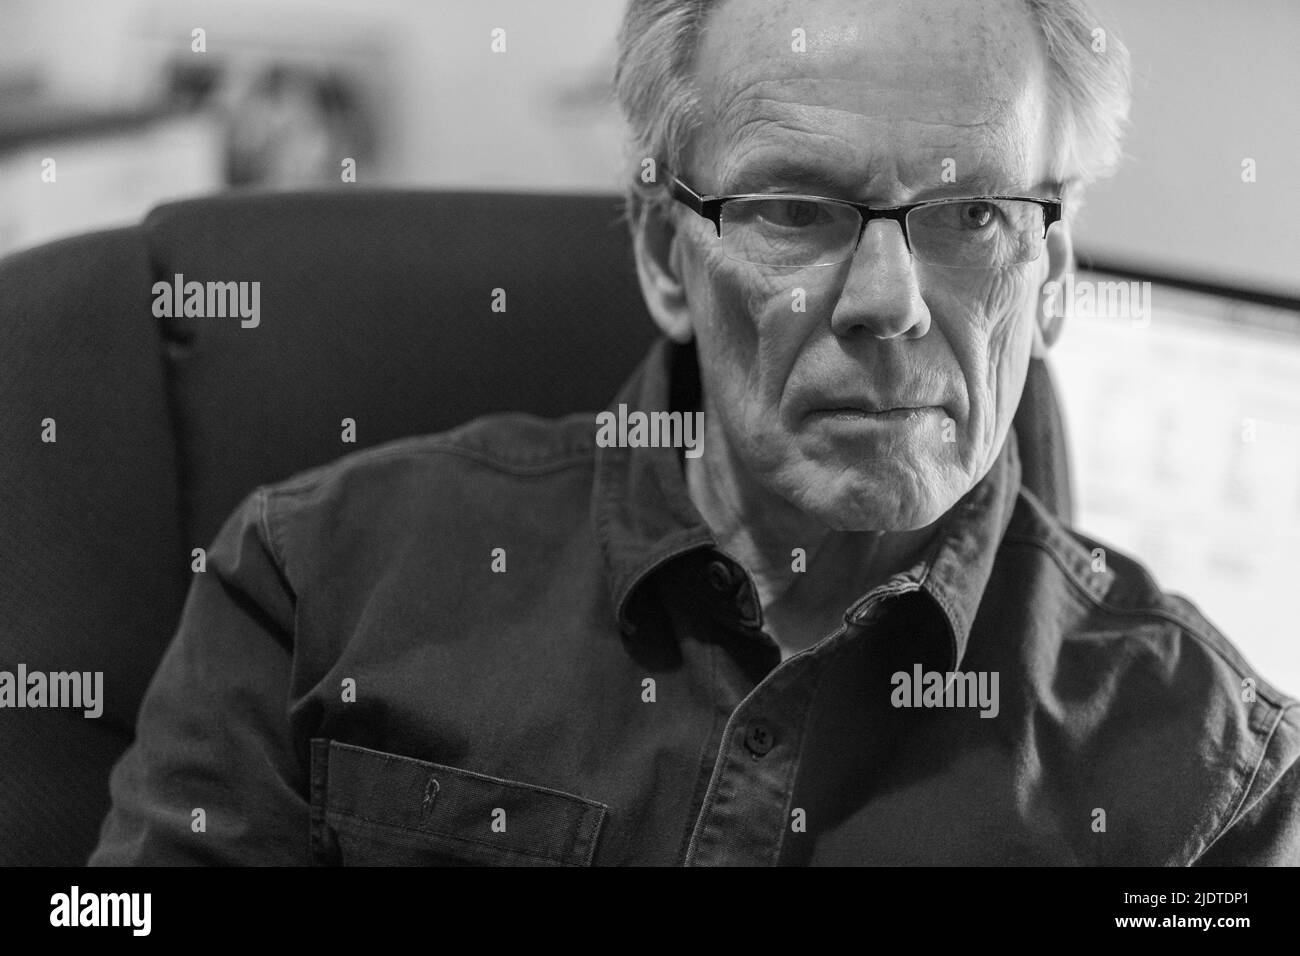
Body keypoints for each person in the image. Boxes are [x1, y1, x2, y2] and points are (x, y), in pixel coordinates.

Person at [89, 0, 1299, 866]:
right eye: (794, 207)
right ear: (668, 253)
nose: (890, 301)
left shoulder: (1207, 783)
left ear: (1051, 276)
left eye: (971, 211)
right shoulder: (316, 582)